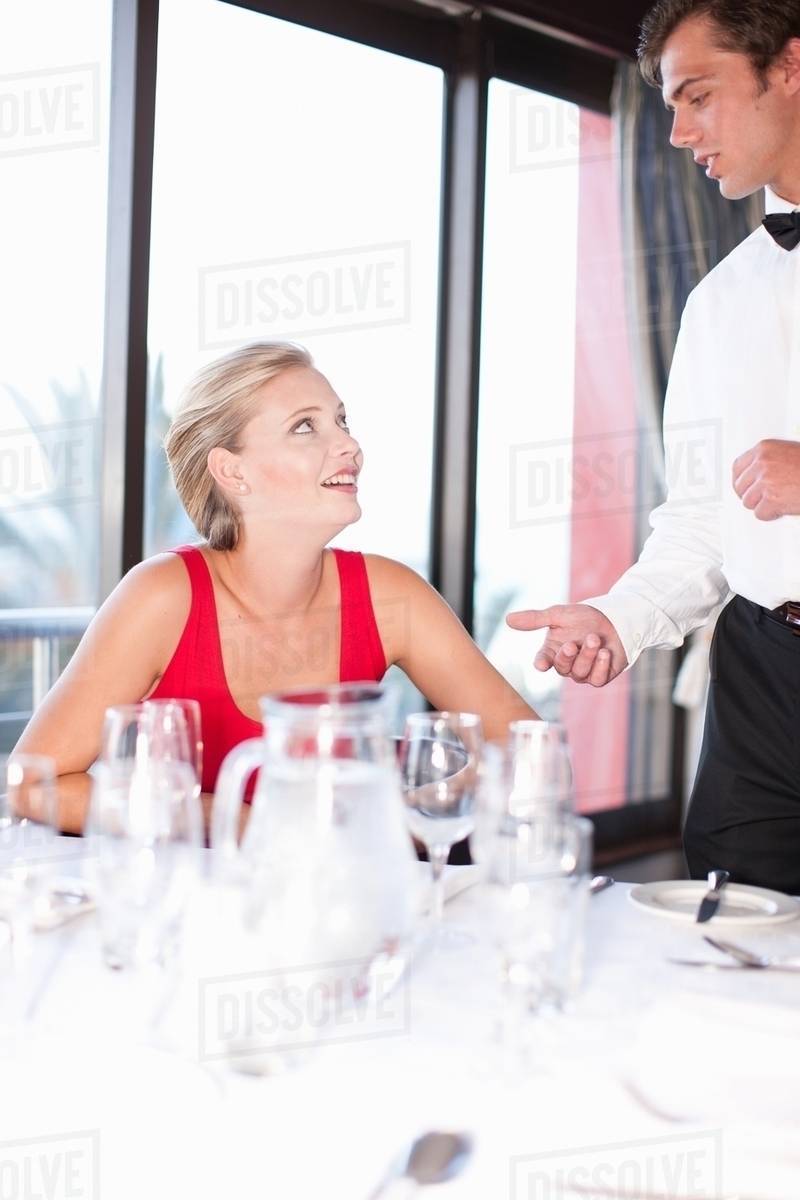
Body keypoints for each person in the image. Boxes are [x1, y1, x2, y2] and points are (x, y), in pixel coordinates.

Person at [507, 0, 800, 892]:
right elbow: (701, 524)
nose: (678, 133)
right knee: (728, 956)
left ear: (788, 67)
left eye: (699, 96)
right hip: (763, 677)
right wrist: (618, 619)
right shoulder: (719, 301)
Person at [14, 341, 536, 834]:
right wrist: (246, 822)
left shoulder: (390, 596)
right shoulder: (162, 597)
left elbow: (528, 751)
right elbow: (34, 784)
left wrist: (409, 817)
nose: (350, 445)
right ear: (231, 471)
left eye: (341, 420)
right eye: (306, 427)